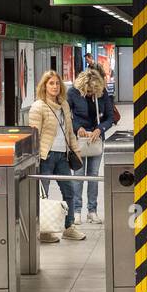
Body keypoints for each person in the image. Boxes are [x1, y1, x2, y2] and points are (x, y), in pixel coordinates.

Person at [29, 70, 85, 242]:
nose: (54, 86)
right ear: (44, 86)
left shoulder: (64, 105)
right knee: (42, 194)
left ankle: (69, 227)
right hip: (45, 156)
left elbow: (69, 133)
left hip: (62, 156)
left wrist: (76, 152)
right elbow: (34, 135)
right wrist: (35, 157)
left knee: (69, 191)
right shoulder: (38, 106)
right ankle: (43, 230)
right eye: (50, 83)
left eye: (56, 83)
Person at [66, 63, 114, 225]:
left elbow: (110, 117)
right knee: (78, 176)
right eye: (87, 92)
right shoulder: (72, 93)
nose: (90, 94)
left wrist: (100, 129)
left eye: (93, 92)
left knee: (93, 176)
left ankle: (92, 211)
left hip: (96, 140)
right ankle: (76, 211)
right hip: (79, 140)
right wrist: (77, 128)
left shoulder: (102, 93)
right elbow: (66, 115)